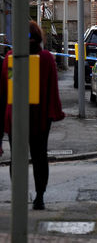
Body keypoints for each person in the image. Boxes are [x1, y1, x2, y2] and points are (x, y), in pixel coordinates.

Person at [1, 21, 66, 210]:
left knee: (16, 158)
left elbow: (4, 91)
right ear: (39, 36)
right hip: (40, 117)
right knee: (40, 157)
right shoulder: (46, 58)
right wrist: (54, 112)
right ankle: (39, 197)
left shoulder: (10, 57)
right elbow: (53, 89)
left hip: (15, 116)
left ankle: (19, 196)